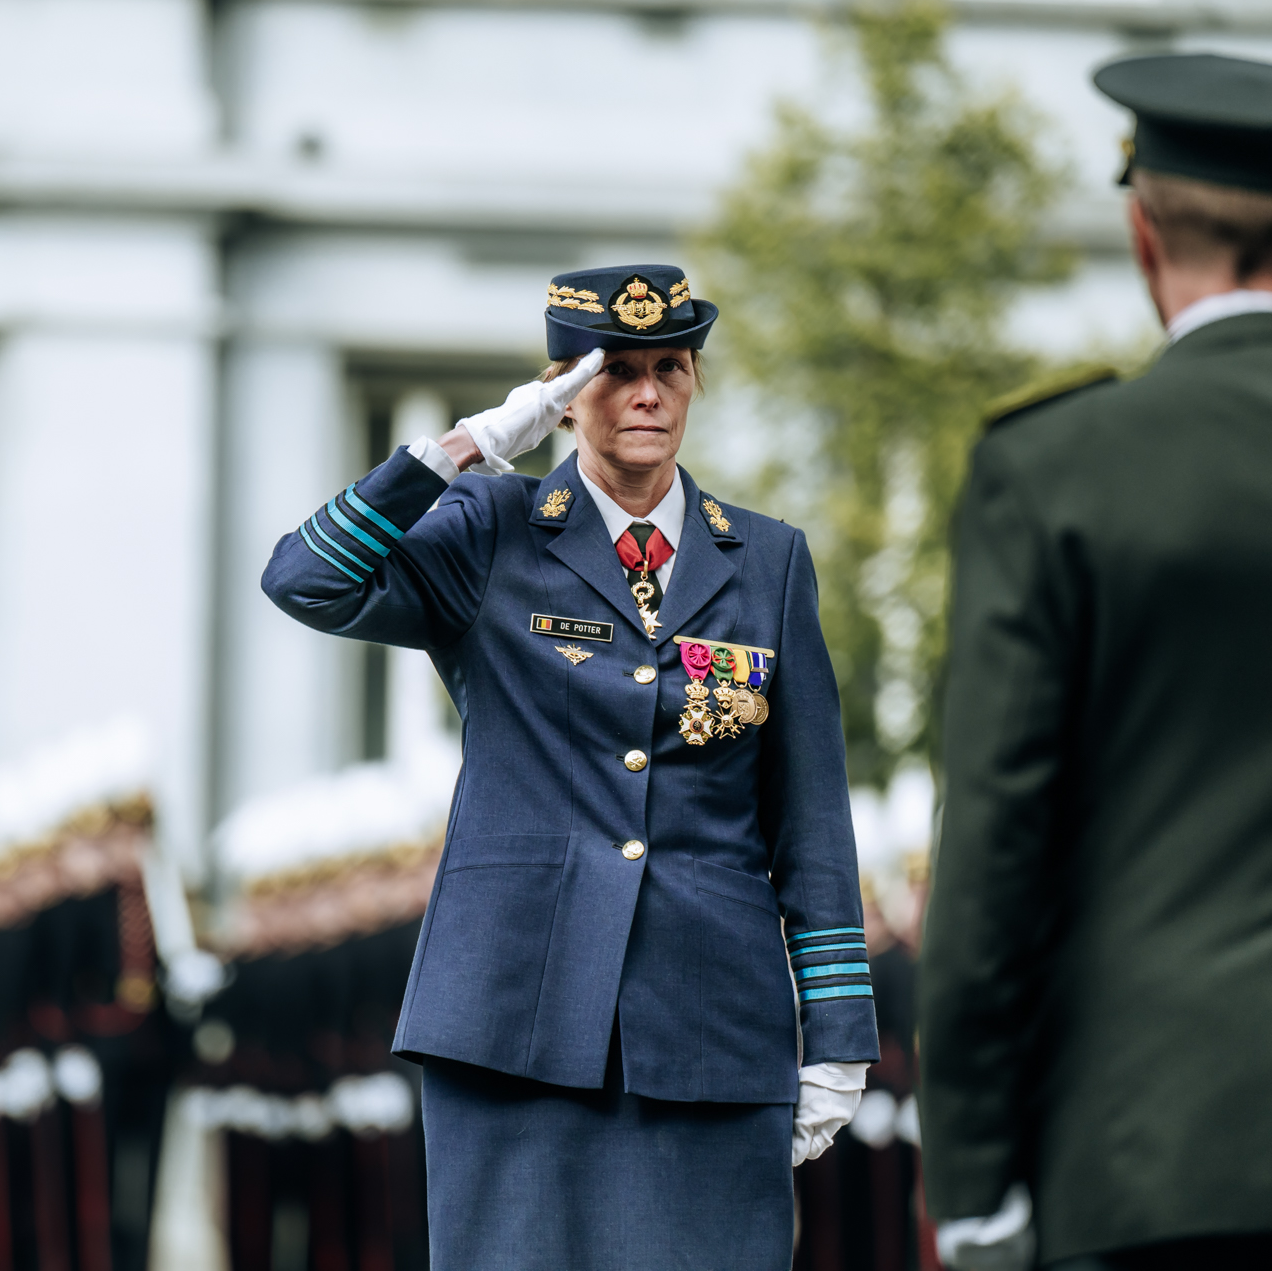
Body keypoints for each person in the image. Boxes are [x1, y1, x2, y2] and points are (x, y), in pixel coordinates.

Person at [919, 53, 1272, 1271]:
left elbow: (994, 842)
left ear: (1141, 233)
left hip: (1146, 1146)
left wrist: (969, 1175)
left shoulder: (1052, 463)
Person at [262, 264, 881, 1270]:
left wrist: (840, 1029)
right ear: (562, 391)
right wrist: (464, 448)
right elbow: (304, 579)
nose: (647, 394)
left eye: (669, 368)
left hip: (710, 1026)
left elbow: (808, 816)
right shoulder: (489, 529)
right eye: (617, 371)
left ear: (694, 383)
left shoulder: (766, 560)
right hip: (513, 1018)